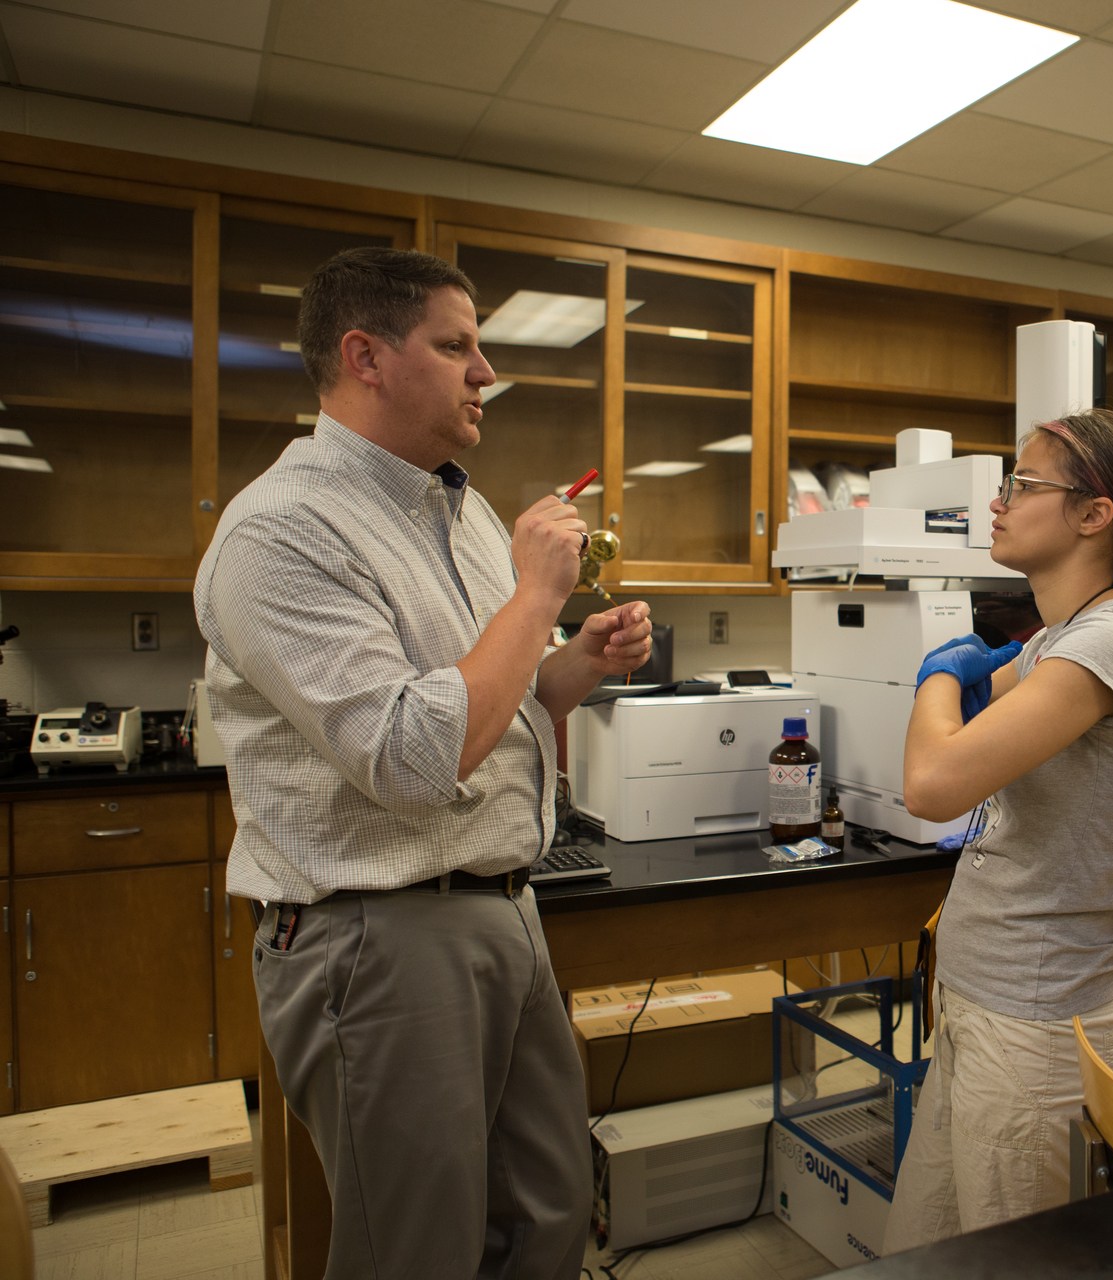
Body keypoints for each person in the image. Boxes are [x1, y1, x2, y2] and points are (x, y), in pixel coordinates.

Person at [194, 247, 653, 1277]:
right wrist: (537, 594)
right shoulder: (281, 531)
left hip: (504, 905)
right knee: (415, 1250)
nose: (484, 370)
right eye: (456, 345)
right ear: (366, 356)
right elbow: (410, 756)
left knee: (545, 1211)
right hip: (378, 932)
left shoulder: (466, 512)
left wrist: (570, 662)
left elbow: (494, 707)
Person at [882, 408, 1113, 1250]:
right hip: (986, 1008)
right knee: (926, 1251)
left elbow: (933, 784)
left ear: (1095, 515)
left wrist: (941, 669)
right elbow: (994, 709)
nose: (1000, 500)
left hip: (1036, 1033)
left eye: (1023, 484)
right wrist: (976, 683)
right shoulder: (1064, 637)